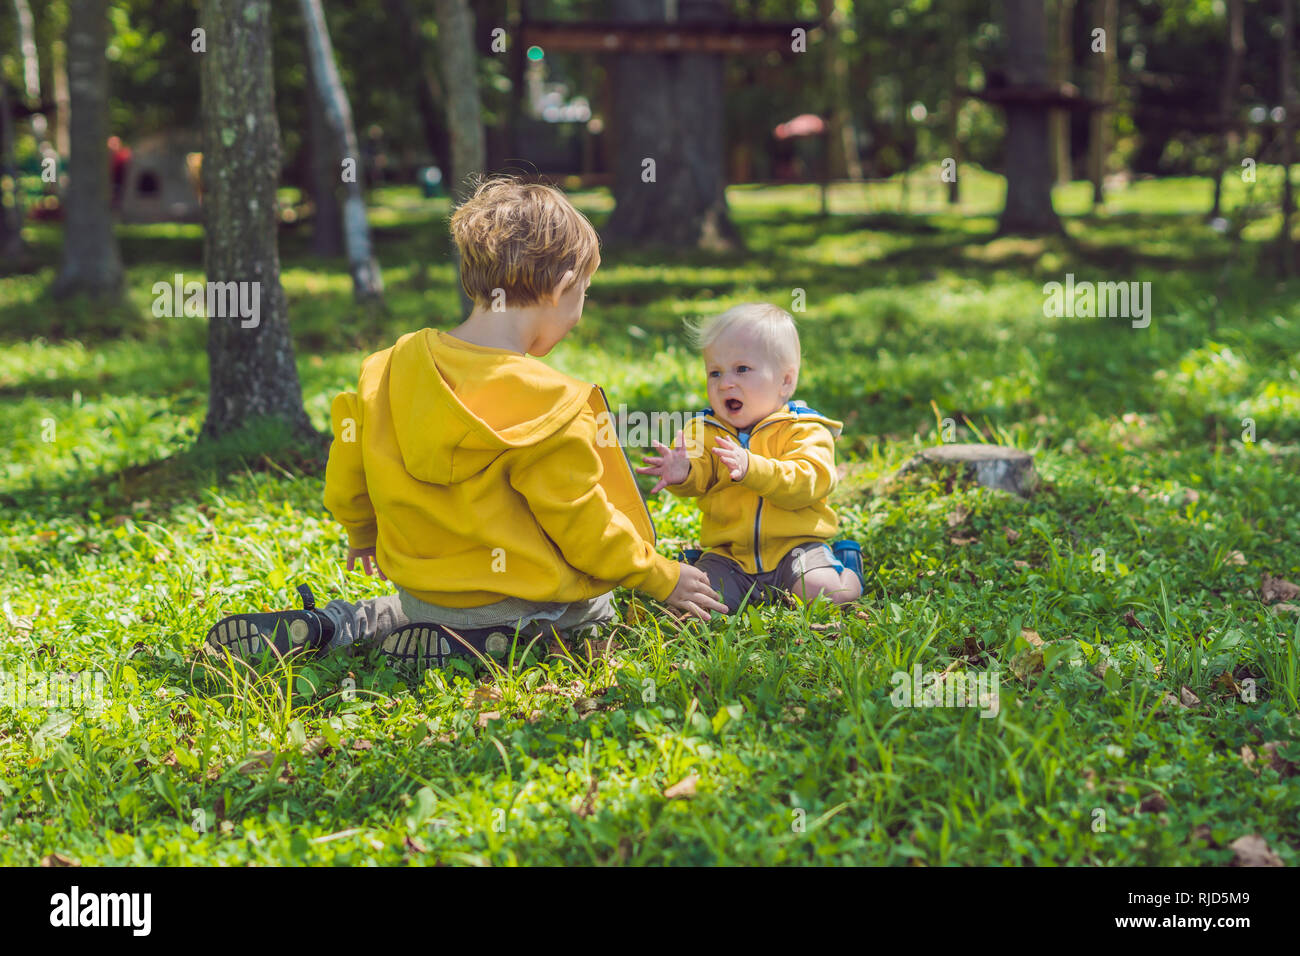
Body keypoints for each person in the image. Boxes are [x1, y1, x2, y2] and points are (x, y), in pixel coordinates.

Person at [204, 176, 725, 668]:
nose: (578, 315)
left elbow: (348, 472)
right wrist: (660, 575)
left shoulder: (383, 370)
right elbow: (584, 527)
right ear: (562, 285)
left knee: (403, 610)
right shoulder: (553, 405)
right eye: (582, 294)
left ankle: (332, 624)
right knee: (597, 612)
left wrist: (362, 532)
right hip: (520, 602)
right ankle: (493, 643)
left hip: (427, 594)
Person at [637, 303, 865, 613]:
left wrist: (751, 468)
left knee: (827, 593)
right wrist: (684, 471)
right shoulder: (704, 430)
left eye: (741, 369)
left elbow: (809, 481)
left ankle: (847, 565)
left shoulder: (805, 428)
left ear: (785, 381)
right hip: (729, 556)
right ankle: (701, 569)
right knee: (697, 604)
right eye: (714, 372)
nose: (725, 382)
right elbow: (702, 469)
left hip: (796, 548)